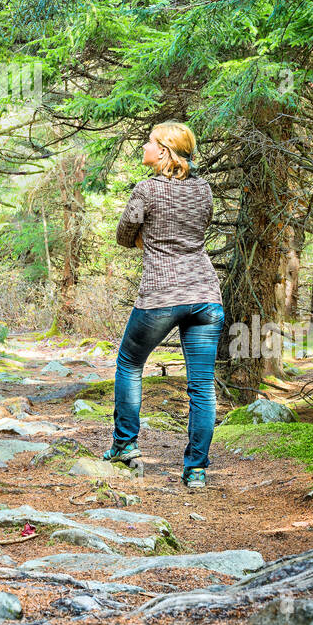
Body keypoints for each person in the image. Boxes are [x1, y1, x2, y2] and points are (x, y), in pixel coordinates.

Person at [104, 121, 224, 490]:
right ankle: (197, 470)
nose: (144, 145)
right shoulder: (203, 189)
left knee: (129, 363)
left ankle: (125, 445)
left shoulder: (146, 191)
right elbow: (199, 229)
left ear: (164, 151)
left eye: (149, 141)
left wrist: (148, 239)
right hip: (206, 296)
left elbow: (125, 235)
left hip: (161, 295)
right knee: (202, 386)